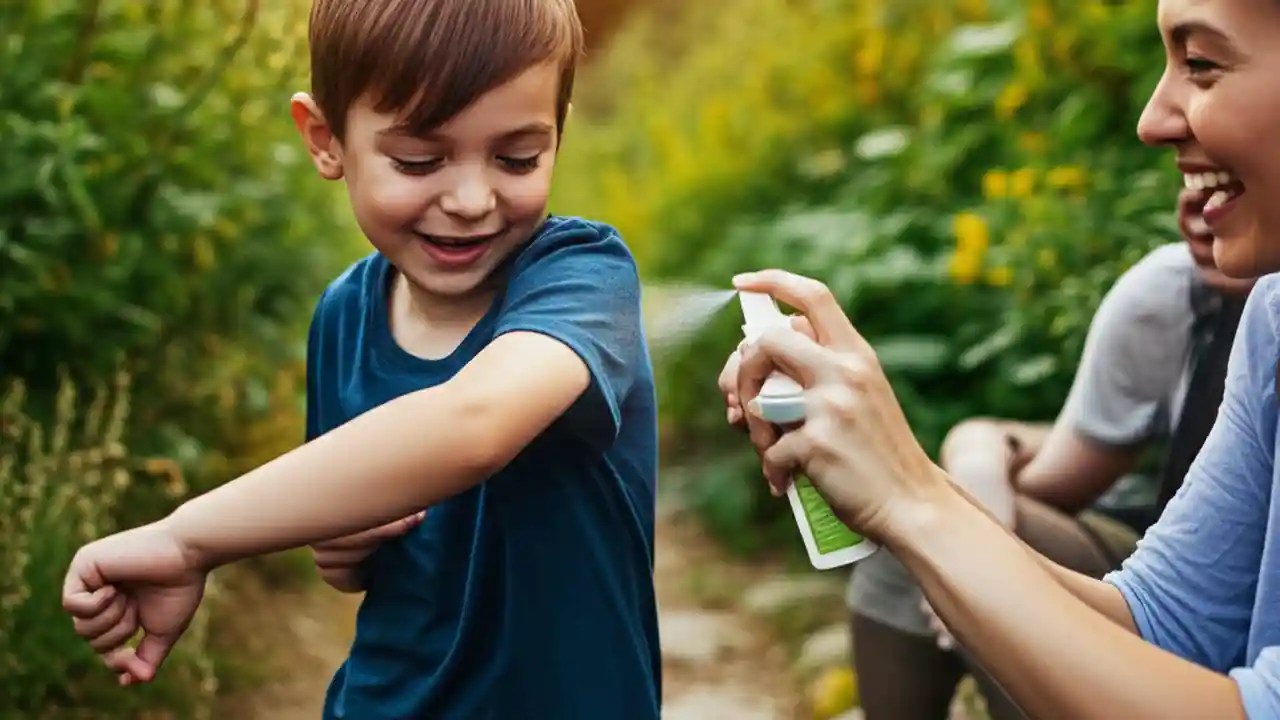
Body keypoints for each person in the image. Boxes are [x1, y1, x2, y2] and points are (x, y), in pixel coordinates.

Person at [59, 2, 662, 719]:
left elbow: (475, 426)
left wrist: (187, 538)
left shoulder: (582, 278)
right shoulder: (343, 317)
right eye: (418, 160)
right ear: (326, 139)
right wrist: (344, 550)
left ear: (559, 129)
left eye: (517, 158)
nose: (471, 199)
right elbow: (357, 556)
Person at [724, 1, 1280, 715]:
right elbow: (1162, 625)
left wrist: (914, 499)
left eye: (1201, 64)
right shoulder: (1270, 316)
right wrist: (890, 480)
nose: (1152, 119)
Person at [842, 190, 1254, 720]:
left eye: (1231, 184)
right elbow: (1060, 476)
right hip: (1179, 593)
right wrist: (972, 469)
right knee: (914, 544)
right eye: (1193, 181)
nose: (1197, 203)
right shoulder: (1180, 299)